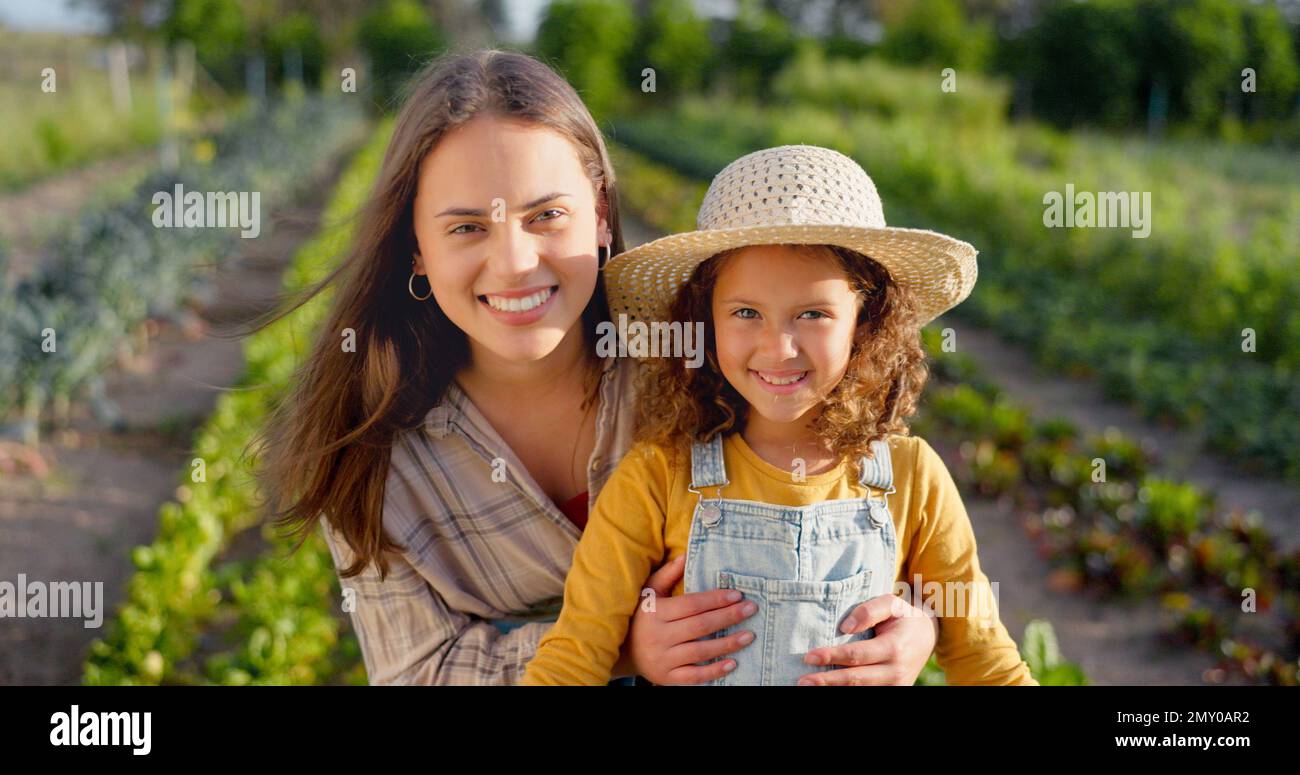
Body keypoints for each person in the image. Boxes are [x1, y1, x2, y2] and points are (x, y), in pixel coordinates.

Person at [253, 51, 940, 685]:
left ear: (602, 215)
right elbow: (415, 670)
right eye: (467, 227)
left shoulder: (705, 368)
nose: (515, 262)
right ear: (417, 250)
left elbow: (862, 510)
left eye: (547, 214)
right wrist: (619, 647)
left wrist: (919, 624)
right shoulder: (368, 450)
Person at [522, 145, 1036, 685]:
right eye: (746, 313)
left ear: (867, 322)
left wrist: (930, 629)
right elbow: (575, 656)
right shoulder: (657, 477)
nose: (779, 347)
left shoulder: (913, 477)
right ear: (705, 319)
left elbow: (986, 661)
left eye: (812, 314)